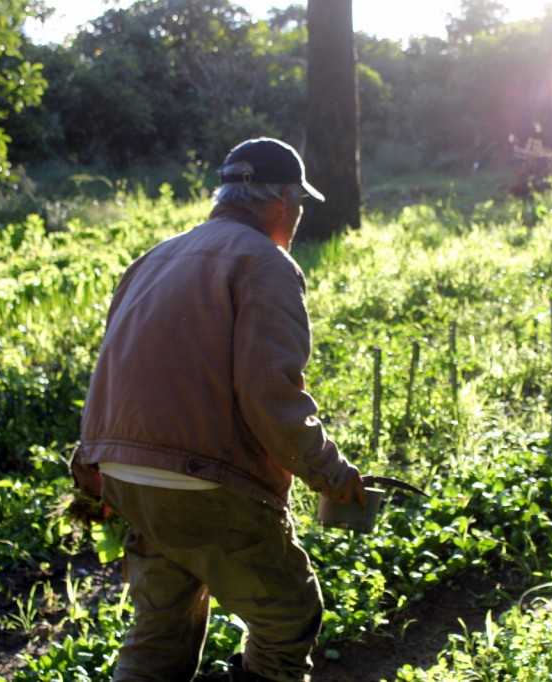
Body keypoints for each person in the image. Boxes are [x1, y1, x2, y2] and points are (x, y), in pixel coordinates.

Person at [75, 137, 367, 682]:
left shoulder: (155, 257)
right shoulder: (264, 263)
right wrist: (330, 474)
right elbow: (269, 395)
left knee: (161, 627)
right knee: (287, 613)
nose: (298, 218)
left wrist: (89, 473)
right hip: (202, 480)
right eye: (299, 207)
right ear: (282, 202)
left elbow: (112, 368)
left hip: (121, 474)